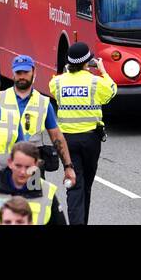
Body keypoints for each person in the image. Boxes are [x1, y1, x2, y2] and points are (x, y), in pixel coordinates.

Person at [49, 42, 117, 225]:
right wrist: (103, 70)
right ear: (88, 62)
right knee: (86, 185)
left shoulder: (57, 81)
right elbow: (112, 90)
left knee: (74, 185)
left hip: (66, 141)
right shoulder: (96, 82)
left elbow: (53, 88)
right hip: (90, 140)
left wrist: (66, 71)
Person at [0, 55, 76, 187]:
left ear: (34, 72)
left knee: (34, 205)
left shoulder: (43, 103)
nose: (22, 76)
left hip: (32, 167)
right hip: (4, 164)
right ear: (13, 73)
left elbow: (56, 136)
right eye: (18, 73)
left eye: (26, 72)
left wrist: (68, 166)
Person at [0, 141, 66, 225]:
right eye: (18, 166)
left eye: (27, 167)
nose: (22, 172)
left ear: (36, 165)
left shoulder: (47, 191)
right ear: (10, 162)